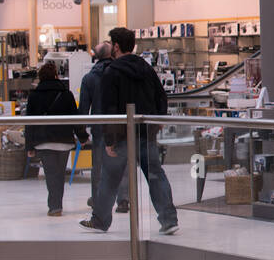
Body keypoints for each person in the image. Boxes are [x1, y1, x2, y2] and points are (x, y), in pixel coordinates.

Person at [81, 27, 178, 235]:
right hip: (145, 133)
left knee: (109, 178)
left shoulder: (111, 72)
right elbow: (161, 96)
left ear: (116, 46)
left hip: (121, 137)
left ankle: (100, 220)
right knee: (155, 175)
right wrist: (158, 119)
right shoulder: (145, 69)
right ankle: (169, 220)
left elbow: (109, 109)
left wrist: (108, 140)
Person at [24, 61, 88, 217]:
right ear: (56, 76)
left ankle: (55, 206)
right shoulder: (66, 94)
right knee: (59, 174)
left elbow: (30, 123)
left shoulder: (34, 96)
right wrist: (82, 136)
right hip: (64, 140)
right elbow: (75, 118)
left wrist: (29, 146)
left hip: (44, 141)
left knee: (51, 175)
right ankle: (56, 204)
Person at [80, 42, 129, 215]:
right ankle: (123, 200)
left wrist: (81, 133)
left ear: (95, 56)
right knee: (122, 164)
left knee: (98, 166)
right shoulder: (121, 75)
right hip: (122, 126)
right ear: (112, 54)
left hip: (99, 128)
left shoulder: (89, 78)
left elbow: (84, 108)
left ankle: (98, 199)